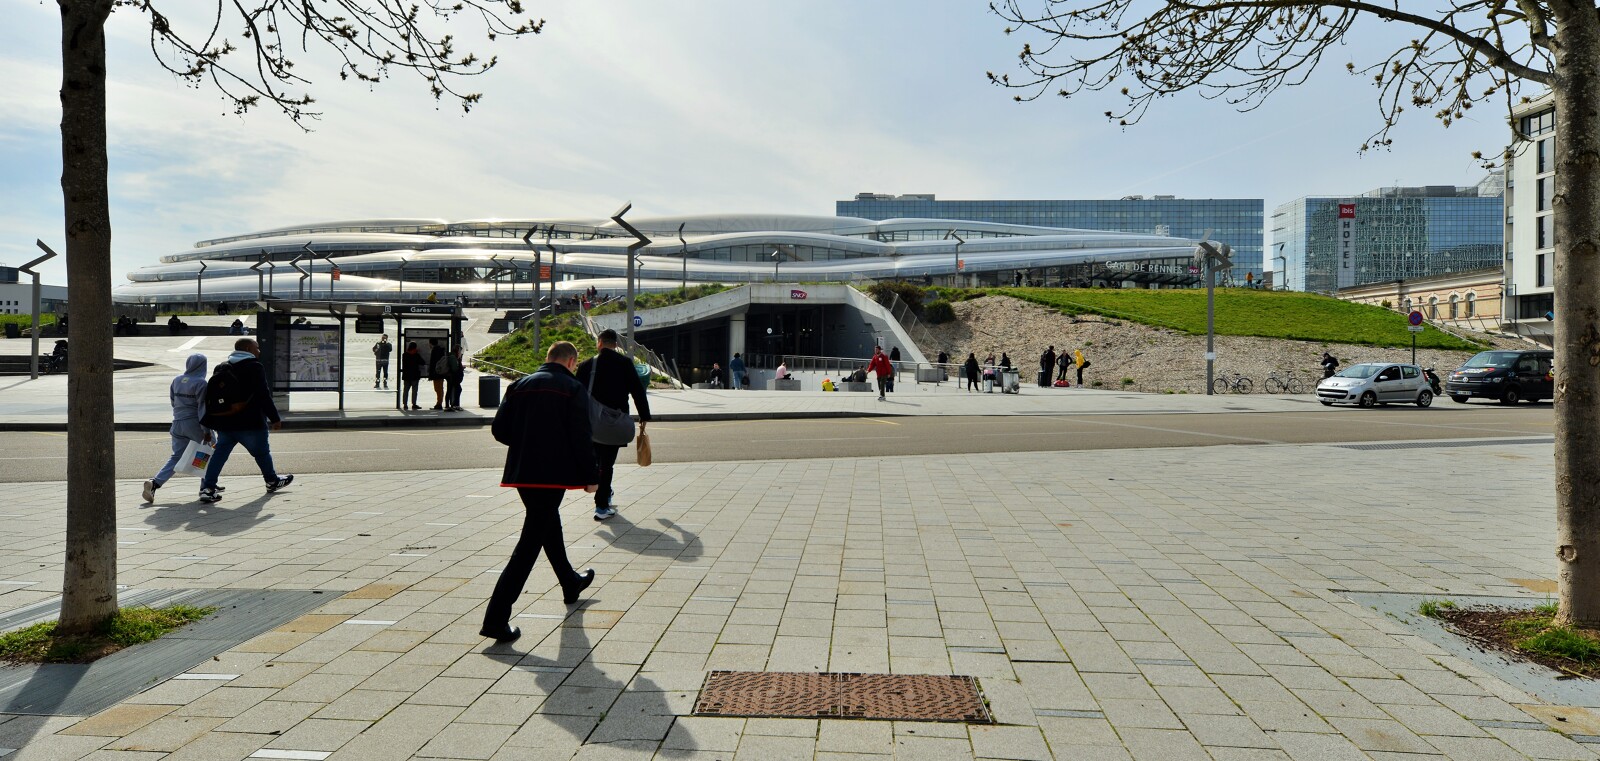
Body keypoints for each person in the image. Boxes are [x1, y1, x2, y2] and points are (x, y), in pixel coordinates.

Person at [482, 340, 600, 643]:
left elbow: (500, 430)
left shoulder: (520, 384)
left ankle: (570, 582)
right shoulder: (572, 389)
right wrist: (592, 477)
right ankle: (496, 618)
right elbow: (581, 437)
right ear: (572, 361)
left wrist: (527, 443)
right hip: (552, 476)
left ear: (549, 358)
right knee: (529, 545)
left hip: (523, 474)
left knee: (547, 524)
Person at [197, 337, 293, 503]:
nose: (259, 351)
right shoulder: (254, 367)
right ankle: (272, 481)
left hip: (225, 422)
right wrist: (275, 418)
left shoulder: (221, 367)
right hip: (250, 421)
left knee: (219, 455)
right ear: (248, 348)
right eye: (257, 347)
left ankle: (208, 488)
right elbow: (264, 395)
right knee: (262, 453)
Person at [575, 329, 651, 521]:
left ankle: (603, 492)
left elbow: (575, 394)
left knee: (597, 461)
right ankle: (602, 504)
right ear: (616, 344)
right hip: (615, 423)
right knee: (607, 464)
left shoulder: (586, 365)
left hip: (591, 424)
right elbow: (637, 391)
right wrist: (644, 415)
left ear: (599, 342)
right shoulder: (625, 363)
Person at [143, 354, 215, 504]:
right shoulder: (201, 383)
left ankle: (155, 483)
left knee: (177, 456)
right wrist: (207, 431)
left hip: (177, 422)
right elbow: (202, 408)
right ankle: (206, 487)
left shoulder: (176, 380)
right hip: (194, 423)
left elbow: (173, 401)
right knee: (209, 450)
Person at [400, 341, 424, 410]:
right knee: (414, 391)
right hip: (415, 376)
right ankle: (414, 404)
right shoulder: (416, 355)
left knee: (406, 391)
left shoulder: (404, 354)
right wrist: (417, 353)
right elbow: (422, 362)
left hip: (407, 375)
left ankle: (405, 404)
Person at [427, 338, 448, 410]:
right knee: (440, 388)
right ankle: (439, 402)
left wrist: (430, 374)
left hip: (436, 373)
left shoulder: (434, 350)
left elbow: (433, 363)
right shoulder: (441, 349)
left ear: (431, 343)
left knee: (437, 388)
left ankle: (439, 404)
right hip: (441, 372)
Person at [444, 344, 466, 411]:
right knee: (456, 390)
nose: (460, 352)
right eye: (460, 351)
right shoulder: (453, 357)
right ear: (457, 350)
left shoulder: (454, 356)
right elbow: (454, 368)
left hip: (452, 377)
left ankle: (450, 405)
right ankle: (452, 405)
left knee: (451, 390)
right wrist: (461, 367)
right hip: (452, 377)